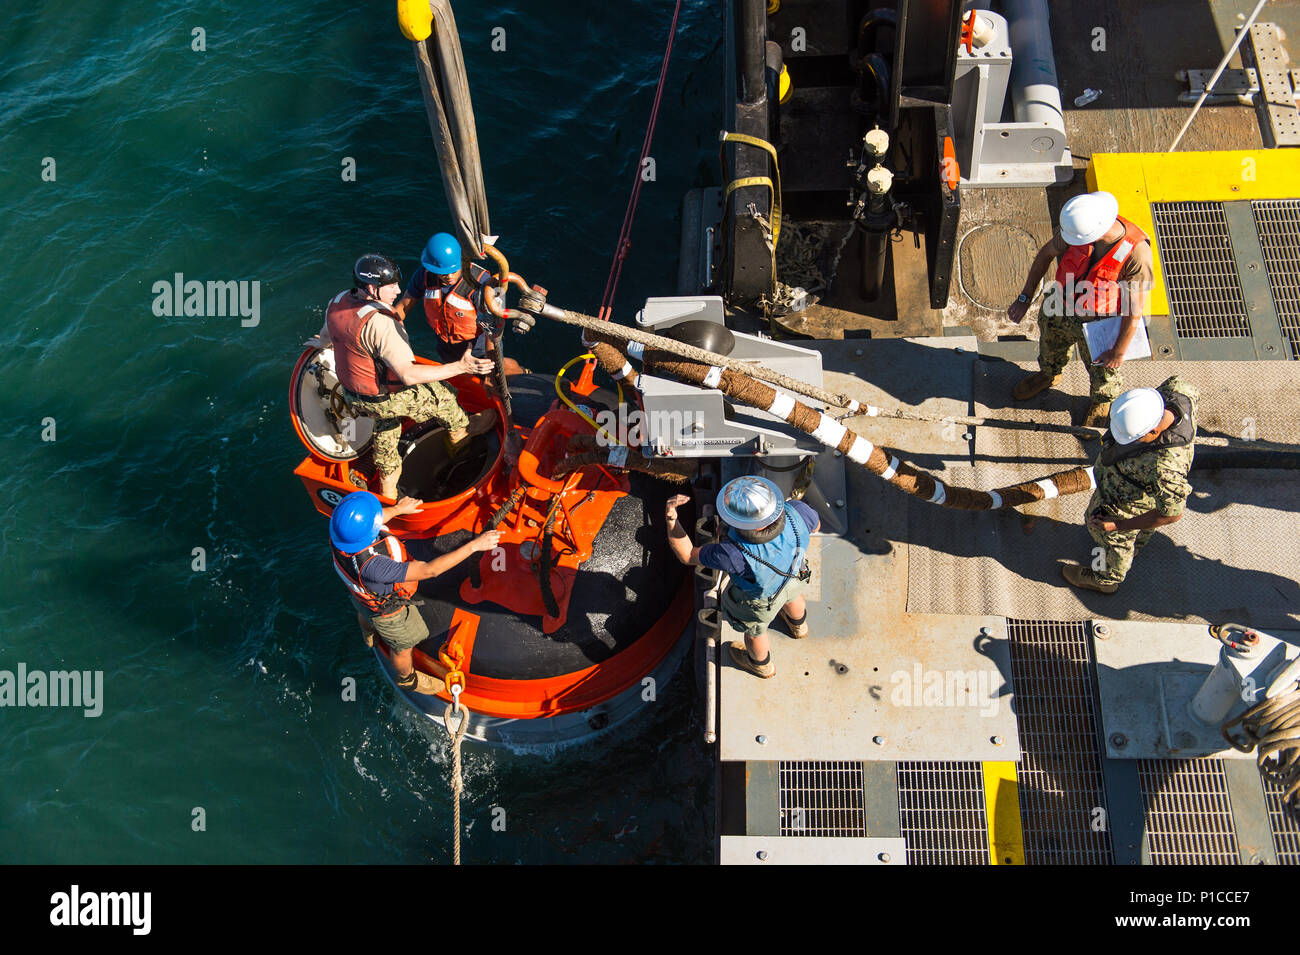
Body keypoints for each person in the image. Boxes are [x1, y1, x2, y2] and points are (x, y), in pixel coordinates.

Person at [317, 253, 497, 500]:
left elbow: (326, 337)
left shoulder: (337, 302)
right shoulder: (381, 323)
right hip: (385, 399)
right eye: (391, 286)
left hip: (353, 398)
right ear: (372, 288)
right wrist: (462, 366)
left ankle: (388, 497)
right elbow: (409, 375)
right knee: (444, 396)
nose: (398, 290)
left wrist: (316, 344)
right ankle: (462, 435)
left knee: (386, 436)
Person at [1007, 191, 1154, 427]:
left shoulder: (1136, 254)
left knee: (1103, 371)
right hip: (1061, 307)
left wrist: (1118, 350)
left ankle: (1102, 401)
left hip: (1100, 323)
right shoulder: (1076, 228)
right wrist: (1025, 296)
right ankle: (1049, 374)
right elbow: (1045, 255)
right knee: (1049, 346)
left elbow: (1134, 309)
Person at [330, 491, 502, 694]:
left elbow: (368, 523)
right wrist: (475, 545)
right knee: (403, 647)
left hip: (362, 598)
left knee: (365, 612)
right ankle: (407, 678)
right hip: (388, 614)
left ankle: (369, 633)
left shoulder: (342, 538)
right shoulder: (374, 566)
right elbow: (430, 570)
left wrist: (398, 509)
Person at [665, 476, 819, 679]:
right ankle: (798, 626)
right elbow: (815, 527)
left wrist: (671, 518)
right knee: (793, 596)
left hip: (762, 601)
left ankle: (760, 664)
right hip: (795, 576)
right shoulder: (797, 511)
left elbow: (687, 555)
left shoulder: (732, 554)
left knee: (755, 631)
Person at [1061, 376, 1198, 594]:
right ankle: (1139, 542)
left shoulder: (1165, 469)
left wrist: (1118, 526)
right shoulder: (1177, 390)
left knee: (1111, 537)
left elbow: (1172, 514)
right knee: (1140, 530)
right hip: (1137, 487)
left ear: (1153, 432)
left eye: (1130, 438)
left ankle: (1105, 579)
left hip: (1124, 505)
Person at [392, 232, 527, 376]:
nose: (449, 276)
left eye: (453, 270)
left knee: (501, 373)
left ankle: (523, 372)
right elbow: (403, 307)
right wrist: (387, 335)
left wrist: (491, 373)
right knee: (460, 376)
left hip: (479, 347)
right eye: (443, 273)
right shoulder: (424, 276)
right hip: (446, 346)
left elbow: (492, 333)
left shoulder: (481, 283)